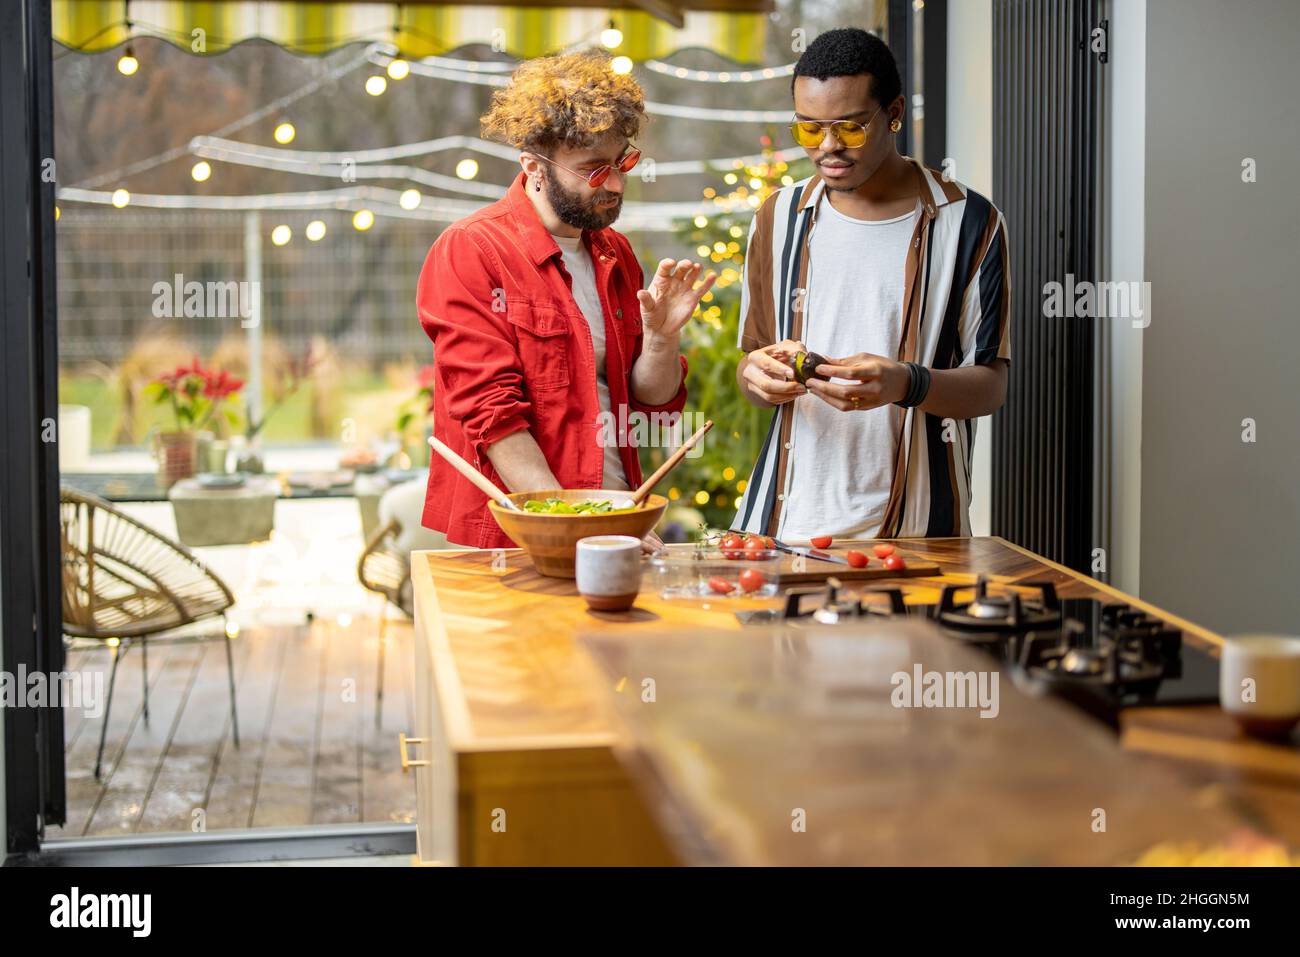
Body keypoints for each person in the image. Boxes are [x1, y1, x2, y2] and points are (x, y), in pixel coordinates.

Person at [418, 50, 715, 549]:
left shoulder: (614, 251)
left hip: (613, 519)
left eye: (623, 163)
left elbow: (651, 405)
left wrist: (662, 340)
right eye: (595, 171)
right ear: (534, 166)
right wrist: (571, 531)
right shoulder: (472, 249)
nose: (617, 184)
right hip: (520, 536)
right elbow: (493, 417)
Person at [734, 27, 1010, 540]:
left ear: (895, 112)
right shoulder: (777, 218)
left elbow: (990, 386)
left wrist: (906, 383)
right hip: (781, 528)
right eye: (810, 130)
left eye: (852, 128)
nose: (829, 148)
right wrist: (758, 376)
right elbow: (751, 368)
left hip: (919, 533)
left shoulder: (971, 222)